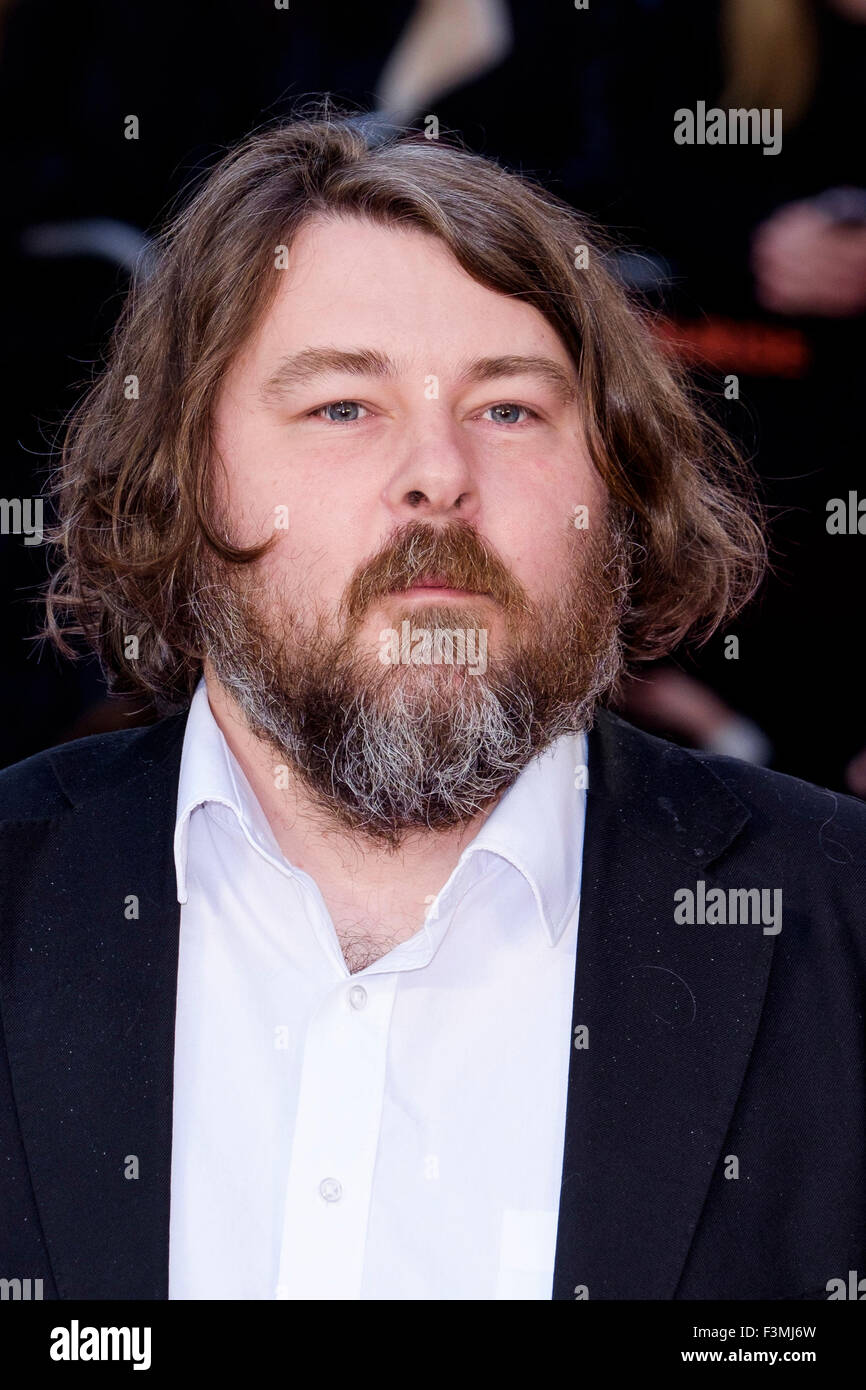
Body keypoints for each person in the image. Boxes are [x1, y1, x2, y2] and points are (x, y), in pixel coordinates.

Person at [0, 113, 863, 1302]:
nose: (440, 472)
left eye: (509, 408)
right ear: (181, 474)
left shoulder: (839, 925)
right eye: (343, 407)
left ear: (614, 492)